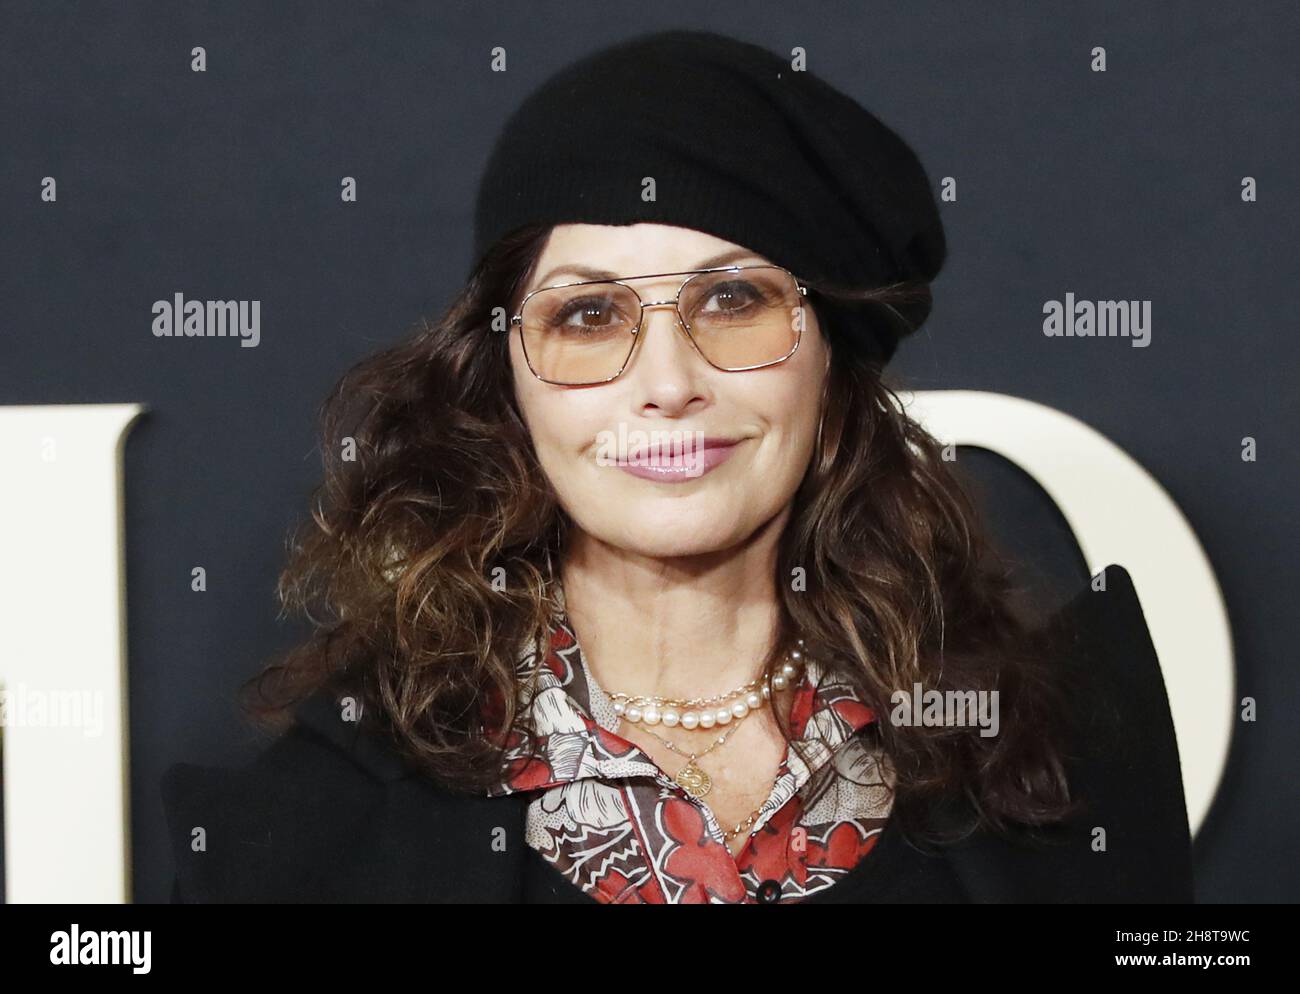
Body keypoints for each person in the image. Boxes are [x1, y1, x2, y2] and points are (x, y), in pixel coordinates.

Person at [160, 29, 1193, 904]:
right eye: (589, 314)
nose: (665, 381)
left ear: (832, 367)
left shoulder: (1053, 756)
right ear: (505, 382)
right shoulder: (314, 837)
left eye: (733, 301)